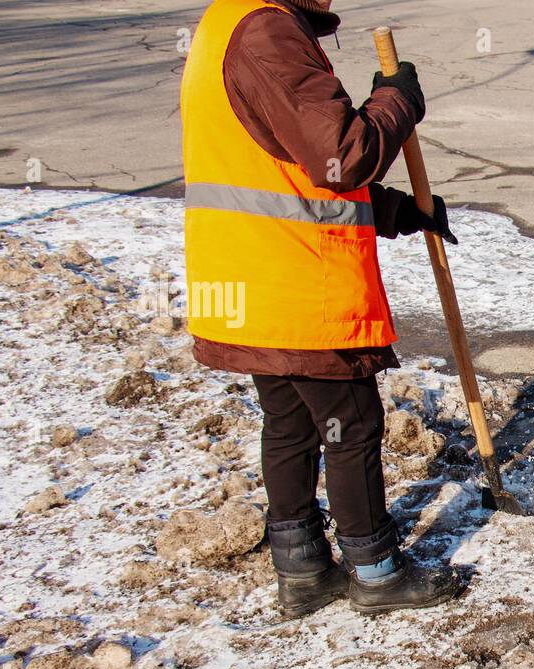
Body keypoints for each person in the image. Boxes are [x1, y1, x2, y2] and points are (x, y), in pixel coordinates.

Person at [180, 0, 460, 616]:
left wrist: (393, 212)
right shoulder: (268, 32)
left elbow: (279, 165)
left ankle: (303, 570)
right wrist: (397, 102)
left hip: (250, 278)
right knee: (350, 425)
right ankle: (376, 573)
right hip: (300, 283)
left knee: (291, 423)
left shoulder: (226, 22)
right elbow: (341, 154)